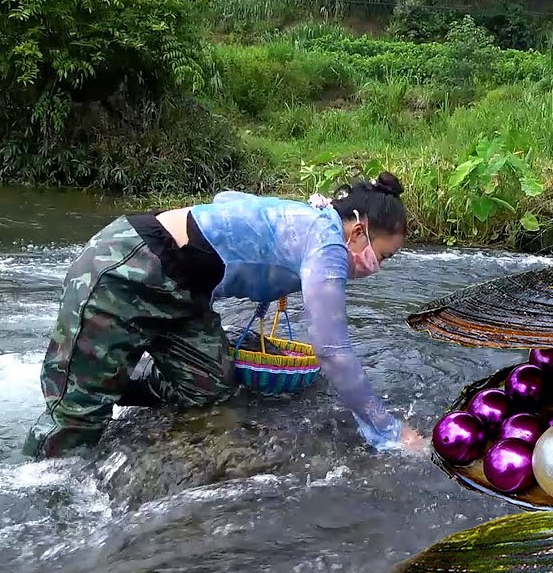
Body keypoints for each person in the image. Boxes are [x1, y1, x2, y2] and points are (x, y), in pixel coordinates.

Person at [23, 172, 422, 459]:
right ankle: (74, 402)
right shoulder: (329, 243)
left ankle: (107, 381)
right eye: (382, 254)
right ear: (358, 232)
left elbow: (225, 198)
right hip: (128, 267)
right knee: (75, 425)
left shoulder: (309, 220)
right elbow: (332, 351)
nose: (377, 266)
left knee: (210, 390)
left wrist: (266, 273)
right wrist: (386, 430)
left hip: (186, 292)